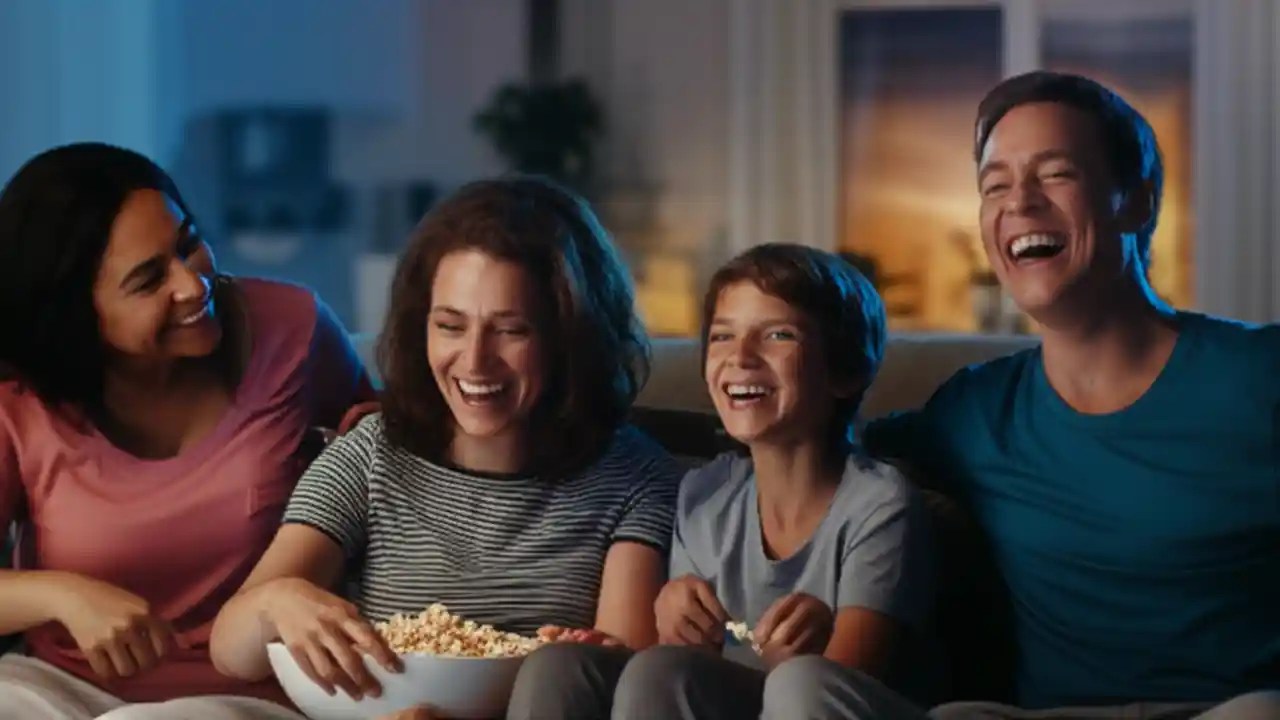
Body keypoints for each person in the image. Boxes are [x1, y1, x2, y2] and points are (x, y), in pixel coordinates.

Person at [852, 72, 1280, 719]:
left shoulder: (1258, 375)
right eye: (995, 184)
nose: (1019, 203)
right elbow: (820, 451)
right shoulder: (972, 413)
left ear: (1136, 202)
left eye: (1055, 173)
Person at [209, 176, 683, 718]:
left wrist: (595, 659)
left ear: (571, 337)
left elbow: (614, 670)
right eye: (450, 326)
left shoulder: (634, 478)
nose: (474, 362)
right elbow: (231, 651)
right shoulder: (369, 456)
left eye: (511, 331)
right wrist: (276, 602)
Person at [0, 143, 372, 719]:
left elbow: (393, 462)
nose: (192, 284)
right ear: (74, 310)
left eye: (189, 243)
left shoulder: (292, 332)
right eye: (148, 280)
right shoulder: (19, 399)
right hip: (59, 690)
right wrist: (62, 595)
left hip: (250, 694)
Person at [507, 243, 936, 720]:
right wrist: (673, 625)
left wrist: (796, 658)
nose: (741, 358)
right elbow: (681, 678)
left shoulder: (879, 504)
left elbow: (844, 682)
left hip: (833, 706)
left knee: (799, 680)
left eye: (778, 334)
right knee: (568, 665)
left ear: (847, 370)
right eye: (722, 337)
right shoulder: (703, 495)